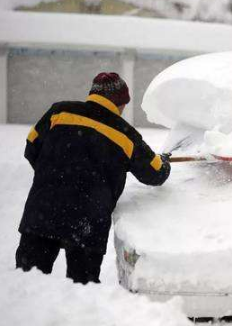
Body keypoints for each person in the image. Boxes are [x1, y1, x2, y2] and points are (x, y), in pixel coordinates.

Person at [16, 72, 171, 284]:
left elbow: (31, 147)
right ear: (119, 102)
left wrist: (55, 176)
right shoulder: (125, 134)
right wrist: (164, 162)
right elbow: (155, 174)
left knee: (25, 283)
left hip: (43, 210)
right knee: (83, 290)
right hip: (88, 222)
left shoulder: (59, 112)